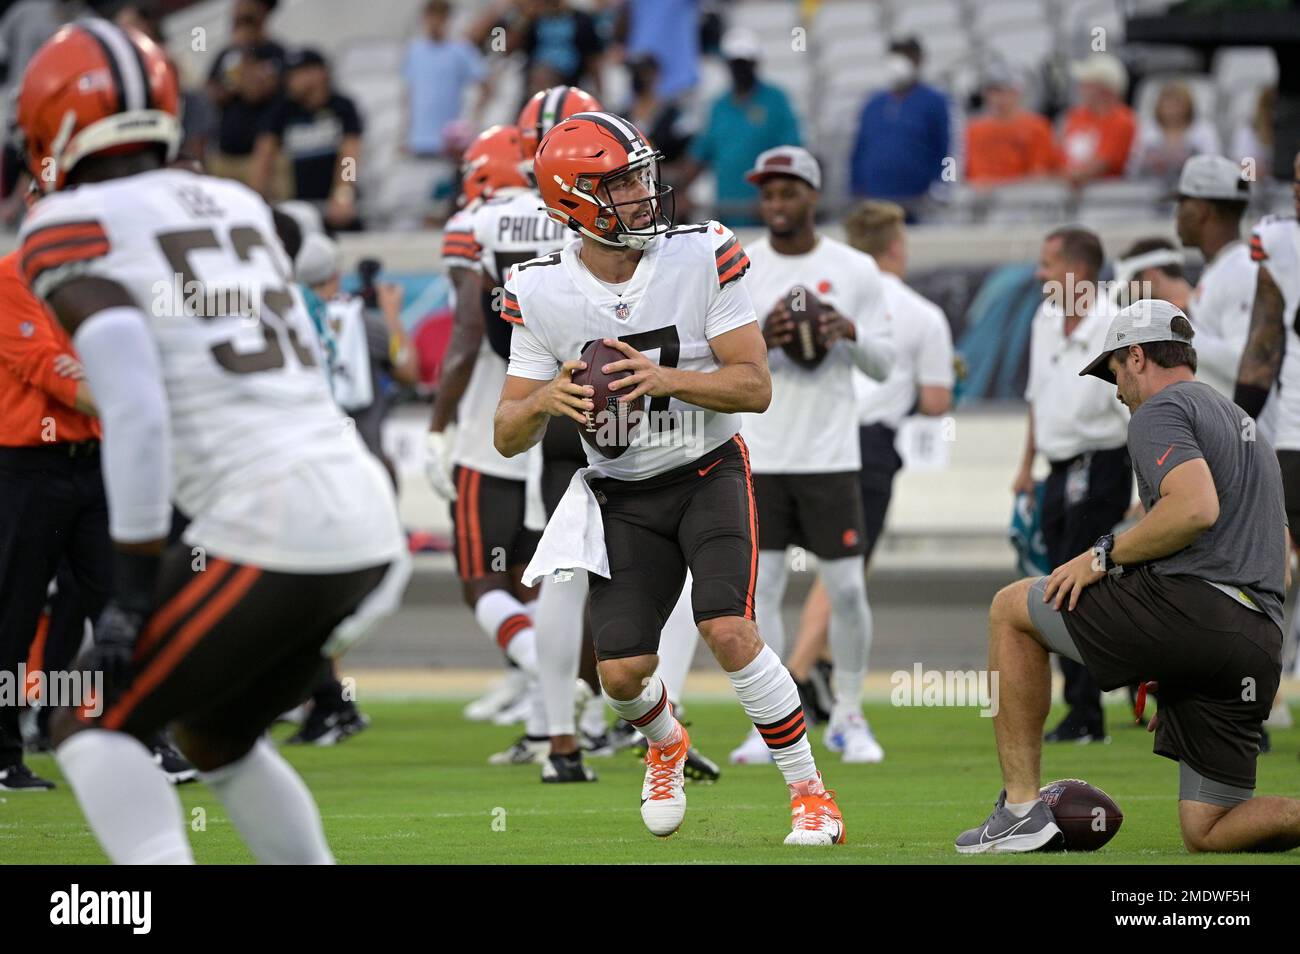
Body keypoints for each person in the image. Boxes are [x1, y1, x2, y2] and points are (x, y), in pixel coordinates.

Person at [17, 20, 405, 863]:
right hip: (363, 512)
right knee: (215, 734)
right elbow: (312, 246)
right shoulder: (234, 202)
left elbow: (135, 401)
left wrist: (128, 590)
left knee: (84, 716)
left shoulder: (68, 223)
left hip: (270, 520)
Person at [495, 110, 845, 845]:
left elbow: (754, 386)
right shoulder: (539, 290)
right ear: (575, 200)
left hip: (708, 469)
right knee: (621, 676)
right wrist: (544, 403)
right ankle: (665, 742)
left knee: (728, 628)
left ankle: (811, 793)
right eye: (621, 184)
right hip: (620, 494)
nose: (644, 194)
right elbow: (504, 433)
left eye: (641, 176)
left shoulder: (701, 254)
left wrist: (666, 378)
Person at [958, 299, 1299, 855]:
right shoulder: (1244, 425)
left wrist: (1102, 556)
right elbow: (1271, 554)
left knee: (1011, 609)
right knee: (1209, 828)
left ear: (1136, 357)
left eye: (1114, 371)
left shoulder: (1160, 411)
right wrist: (1179, 654)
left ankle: (1021, 811)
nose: (1116, 389)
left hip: (1200, 613)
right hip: (1258, 639)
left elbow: (1193, 509)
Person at [724, 147, 894, 766]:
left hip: (830, 454)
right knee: (761, 588)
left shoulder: (853, 268)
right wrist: (763, 338)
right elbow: (720, 359)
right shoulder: (740, 266)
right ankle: (770, 724)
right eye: (767, 193)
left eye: (787, 192)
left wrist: (843, 328)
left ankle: (848, 713)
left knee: (847, 588)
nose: (775, 204)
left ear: (813, 196)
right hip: (762, 450)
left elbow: (884, 361)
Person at [784, 200, 955, 720]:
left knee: (841, 565)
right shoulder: (921, 313)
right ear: (896, 246)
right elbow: (936, 401)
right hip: (870, 446)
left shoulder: (832, 296)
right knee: (846, 567)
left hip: (811, 434)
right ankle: (794, 677)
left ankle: (827, 667)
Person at [1013, 226, 1131, 744]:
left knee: (1076, 587)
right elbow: (1038, 396)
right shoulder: (1044, 320)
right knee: (1061, 583)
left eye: (1046, 264)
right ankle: (1085, 710)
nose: (1039, 275)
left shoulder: (1115, 325)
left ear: (1076, 271)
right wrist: (1027, 466)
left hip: (1102, 463)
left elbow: (1136, 409)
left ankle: (1088, 713)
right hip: (1059, 470)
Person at [0, 250, 102, 790]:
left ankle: (138, 739)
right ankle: (3, 751)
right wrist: (118, 391)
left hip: (95, 462)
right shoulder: (12, 276)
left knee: (119, 603)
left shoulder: (99, 269)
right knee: (15, 615)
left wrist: (102, 379)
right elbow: (46, 368)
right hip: (29, 467)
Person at [680, 28, 801, 226]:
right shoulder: (719, 106)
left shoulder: (776, 100)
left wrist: (775, 196)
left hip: (769, 214)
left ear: (755, 63)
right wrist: (681, 190)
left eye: (745, 63)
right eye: (735, 64)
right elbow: (700, 154)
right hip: (727, 215)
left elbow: (791, 153)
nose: (740, 70)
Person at [1173, 156, 1260, 416]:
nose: (1177, 214)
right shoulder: (1219, 268)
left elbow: (1246, 364)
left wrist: (1174, 326)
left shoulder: (1242, 270)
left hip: (1246, 439)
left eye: (1182, 202)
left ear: (1202, 209)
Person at [251, 48, 363, 230]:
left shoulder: (342, 107)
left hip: (337, 206)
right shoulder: (284, 110)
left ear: (318, 74)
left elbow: (349, 155)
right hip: (301, 205)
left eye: (296, 75)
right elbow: (264, 155)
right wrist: (256, 199)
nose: (289, 81)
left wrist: (343, 194)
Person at [849, 38, 950, 215]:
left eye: (906, 57)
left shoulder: (936, 102)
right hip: (875, 201)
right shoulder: (873, 104)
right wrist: (857, 187)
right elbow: (859, 150)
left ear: (919, 61)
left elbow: (946, 148)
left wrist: (940, 187)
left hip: (919, 204)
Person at [205, 0, 285, 187]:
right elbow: (209, 95)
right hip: (225, 155)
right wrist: (231, 86)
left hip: (261, 156)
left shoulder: (275, 53)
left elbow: (254, 93)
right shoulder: (226, 54)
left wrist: (243, 52)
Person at [403, 0, 489, 159]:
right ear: (425, 19)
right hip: (418, 141)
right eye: (432, 17)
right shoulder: (414, 51)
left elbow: (486, 85)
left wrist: (472, 122)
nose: (436, 23)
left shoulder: (461, 50)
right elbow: (409, 94)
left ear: (448, 19)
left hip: (449, 143)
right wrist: (404, 134)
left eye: (440, 18)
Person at [964, 64, 1057, 184]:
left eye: (1006, 91)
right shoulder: (972, 130)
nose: (999, 98)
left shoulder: (1037, 127)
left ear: (1017, 92)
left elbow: (1040, 174)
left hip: (1021, 198)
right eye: (994, 91)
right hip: (977, 200)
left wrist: (996, 186)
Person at [1058, 53, 1136, 187]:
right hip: (1071, 195)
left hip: (1108, 198)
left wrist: (1064, 177)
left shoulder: (1123, 120)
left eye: (1087, 84)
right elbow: (1060, 158)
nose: (1080, 88)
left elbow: (1104, 163)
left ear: (1104, 89)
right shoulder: (1076, 116)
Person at [1127, 81, 1221, 185]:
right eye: (1167, 103)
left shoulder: (1203, 130)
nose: (1172, 109)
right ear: (1159, 106)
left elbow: (1214, 164)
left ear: (1188, 105)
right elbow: (1133, 167)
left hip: (1196, 184)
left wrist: (1188, 162)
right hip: (1151, 186)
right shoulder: (1148, 130)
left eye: (1177, 103)